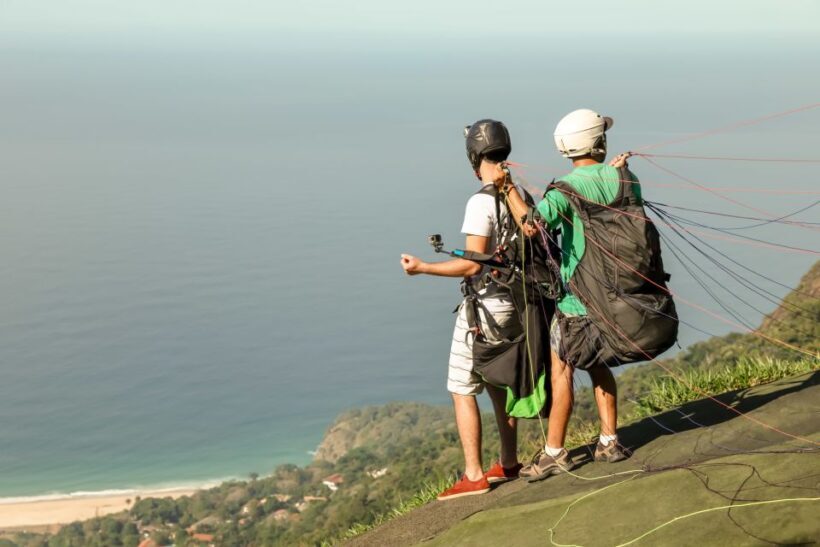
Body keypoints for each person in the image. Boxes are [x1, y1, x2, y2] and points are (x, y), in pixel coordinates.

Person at [502, 109, 637, 481]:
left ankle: (554, 452)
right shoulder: (627, 178)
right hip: (615, 294)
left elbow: (531, 227)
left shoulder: (563, 190)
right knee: (598, 364)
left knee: (562, 369)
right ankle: (609, 440)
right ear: (599, 141)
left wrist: (508, 188)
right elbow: (608, 198)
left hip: (577, 299)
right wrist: (614, 169)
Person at [400, 119, 526, 500]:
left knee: (461, 386)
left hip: (486, 307)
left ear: (474, 155)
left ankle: (473, 475)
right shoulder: (518, 195)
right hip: (516, 304)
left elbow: (473, 264)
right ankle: (507, 461)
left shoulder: (481, 201)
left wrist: (422, 267)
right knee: (494, 381)